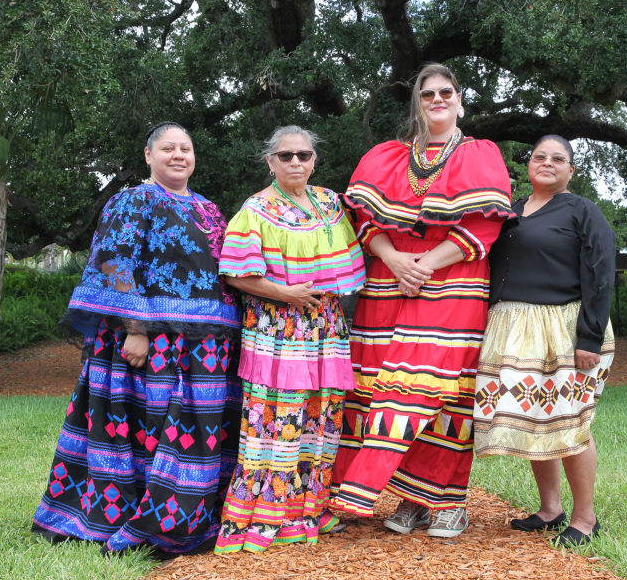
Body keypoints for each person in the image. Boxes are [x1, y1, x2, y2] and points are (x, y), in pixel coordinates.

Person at [32, 122, 242, 555]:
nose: (179, 155)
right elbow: (113, 264)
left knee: (193, 431)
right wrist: (136, 330)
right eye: (168, 148)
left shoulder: (210, 209)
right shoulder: (131, 201)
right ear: (148, 156)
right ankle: (139, 520)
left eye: (186, 148)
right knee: (149, 429)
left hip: (203, 347)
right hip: (148, 343)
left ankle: (186, 517)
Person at [330, 63, 515, 538]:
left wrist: (425, 264)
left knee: (439, 391)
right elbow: (364, 225)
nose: (437, 99)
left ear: (460, 99)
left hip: (453, 284)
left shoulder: (480, 154)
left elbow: (483, 227)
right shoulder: (386, 157)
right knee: (378, 390)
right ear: (417, 101)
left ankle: (448, 501)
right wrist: (396, 261)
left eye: (445, 92)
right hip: (388, 286)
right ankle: (411, 498)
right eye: (427, 93)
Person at [214, 125, 366, 553]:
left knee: (321, 417)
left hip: (326, 328)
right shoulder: (256, 208)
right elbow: (237, 273)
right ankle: (266, 514)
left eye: (303, 155)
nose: (295, 162)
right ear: (270, 161)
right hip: (278, 327)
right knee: (277, 419)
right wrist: (288, 294)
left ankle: (310, 509)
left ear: (315, 160)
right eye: (285, 156)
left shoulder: (331, 203)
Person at [473, 134, 616, 547]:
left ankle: (586, 518)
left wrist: (588, 337)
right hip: (514, 328)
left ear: (571, 170)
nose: (548, 163)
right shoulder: (511, 211)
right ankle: (551, 508)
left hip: (565, 328)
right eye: (540, 157)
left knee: (570, 421)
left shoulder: (582, 211)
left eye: (558, 159)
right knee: (540, 419)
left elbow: (601, 273)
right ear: (529, 164)